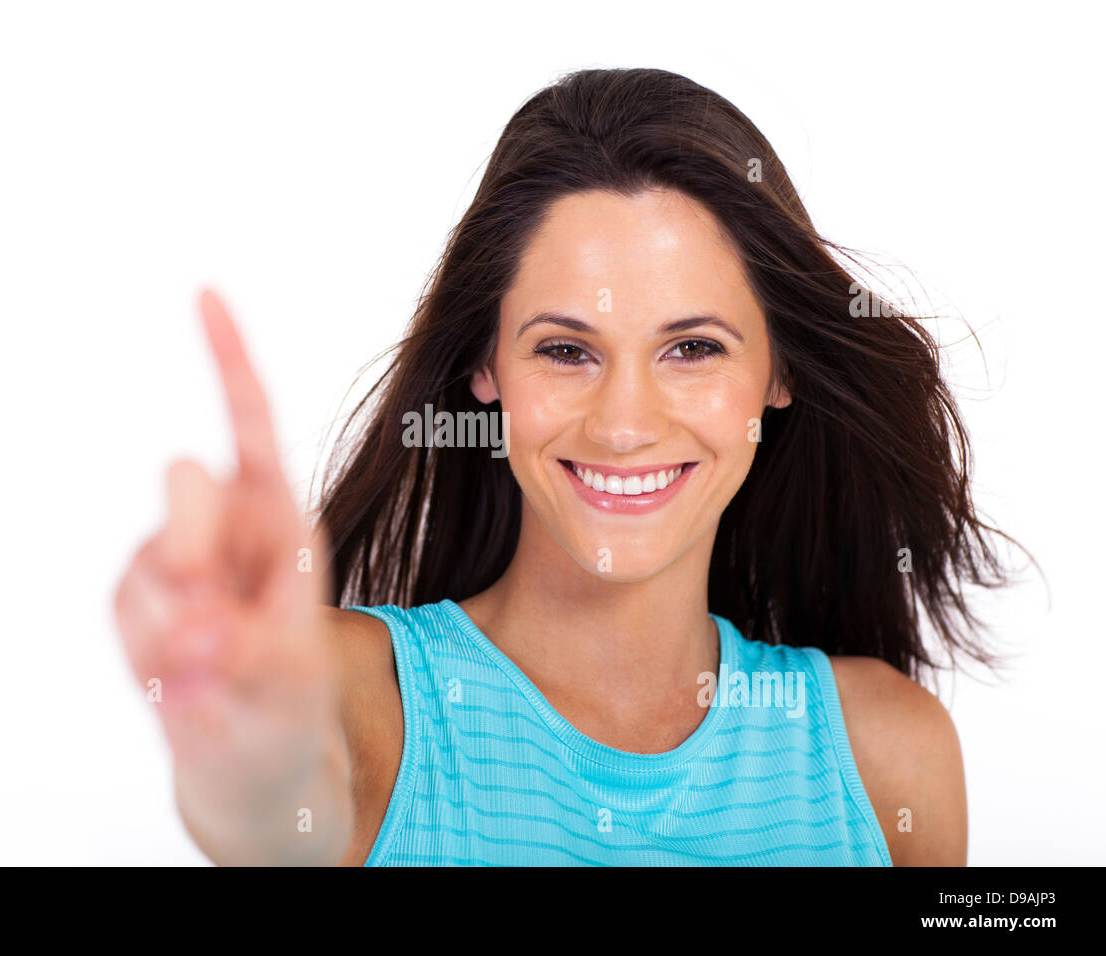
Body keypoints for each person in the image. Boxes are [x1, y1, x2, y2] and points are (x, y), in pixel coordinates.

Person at [114, 68, 1020, 866]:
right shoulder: (362, 702)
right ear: (487, 365)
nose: (624, 424)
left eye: (694, 347)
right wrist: (250, 758)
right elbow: (276, 818)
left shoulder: (889, 760)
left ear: (777, 372)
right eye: (565, 351)